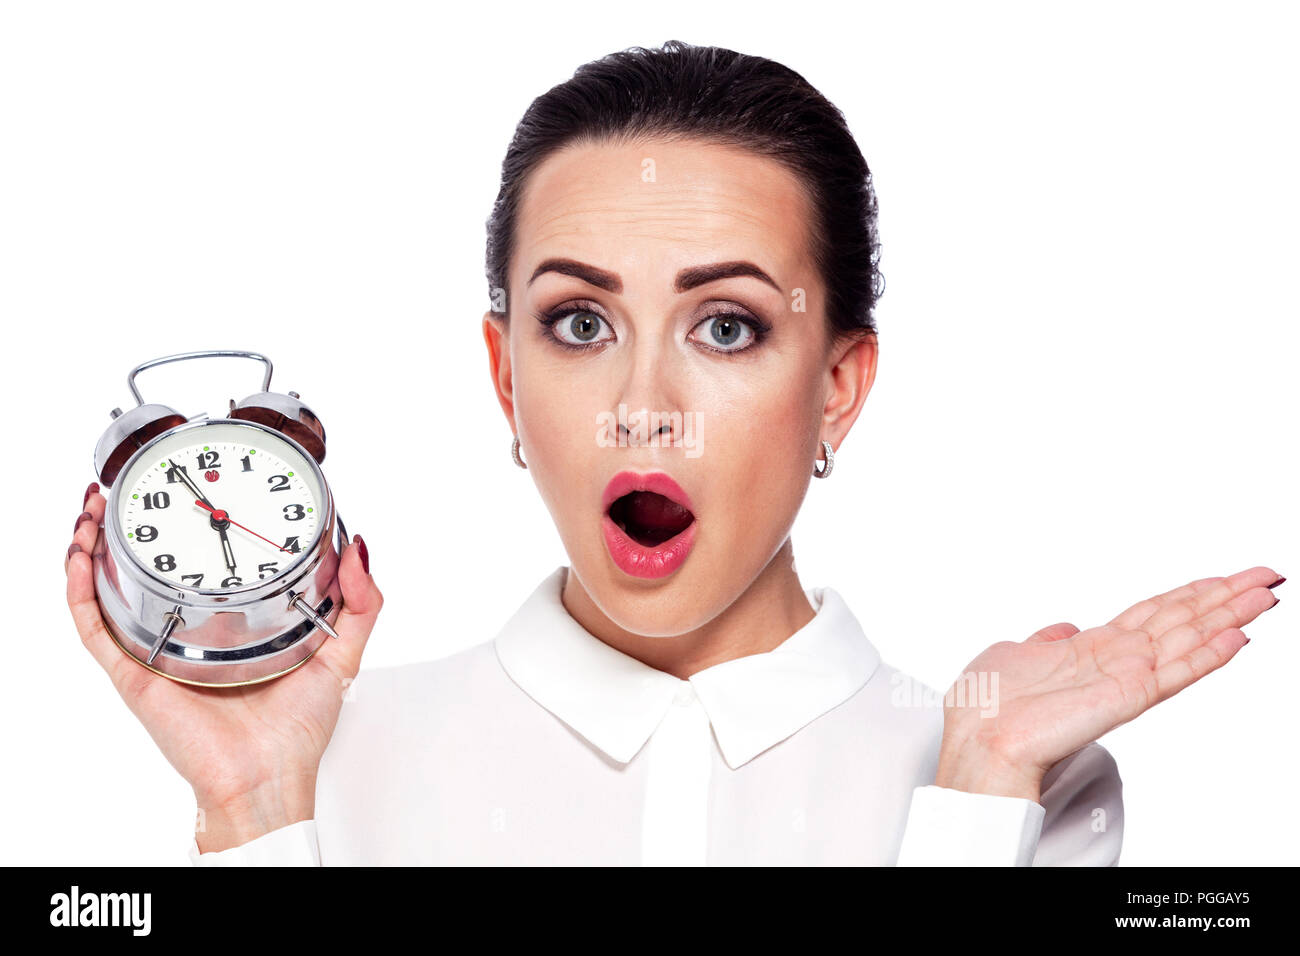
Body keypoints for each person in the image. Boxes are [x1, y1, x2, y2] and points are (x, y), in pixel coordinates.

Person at [64, 40, 1281, 865]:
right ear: (504, 374)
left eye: (727, 325)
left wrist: (972, 792)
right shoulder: (327, 762)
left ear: (838, 389)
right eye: (580, 324)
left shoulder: (1015, 771)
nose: (643, 408)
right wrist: (255, 806)